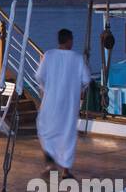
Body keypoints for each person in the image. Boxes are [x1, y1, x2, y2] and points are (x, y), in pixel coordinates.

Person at [35, 28, 90, 177]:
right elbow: (85, 80)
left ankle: (50, 165)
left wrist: (48, 88)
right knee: (67, 135)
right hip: (69, 105)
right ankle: (65, 170)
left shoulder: (48, 55)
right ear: (69, 40)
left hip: (50, 102)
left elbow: (39, 76)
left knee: (46, 131)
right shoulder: (77, 58)